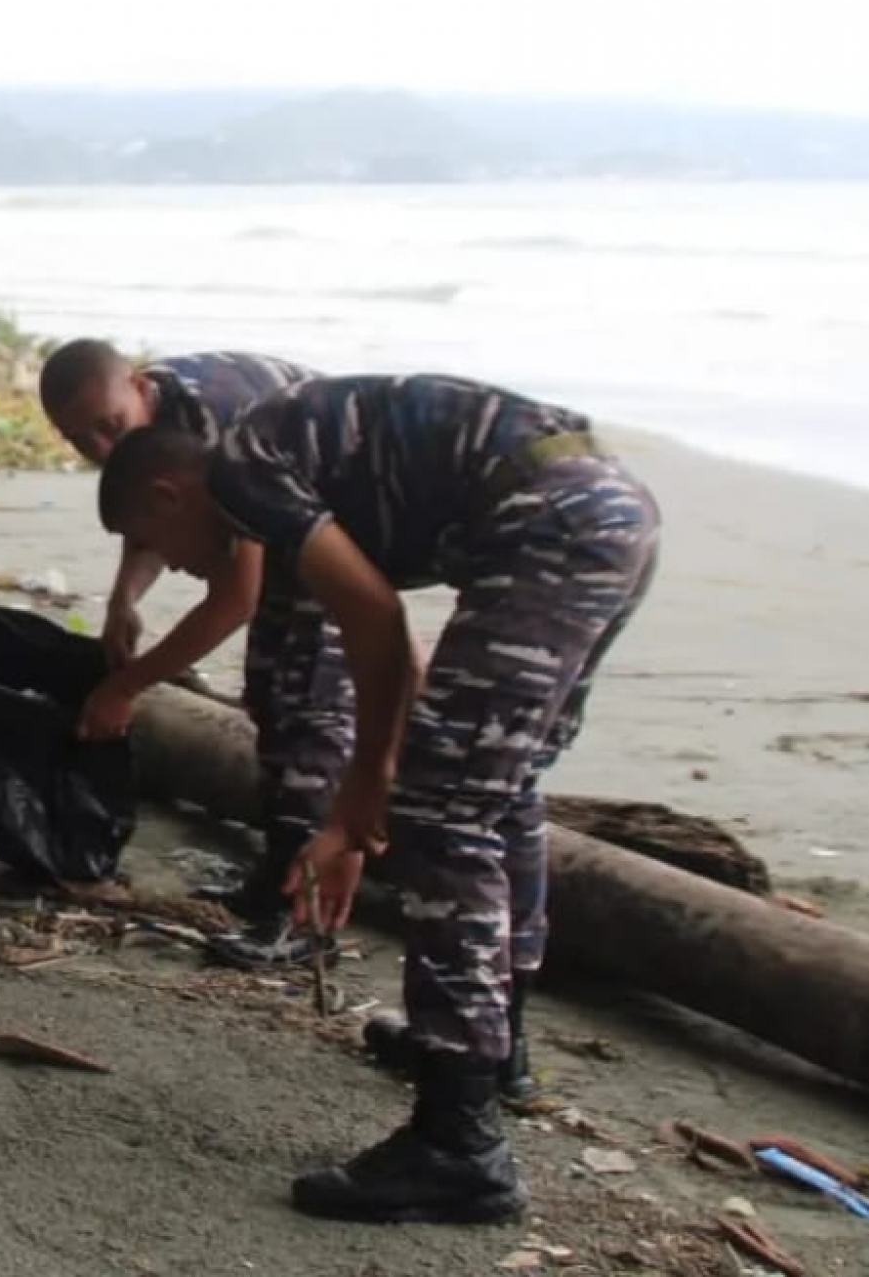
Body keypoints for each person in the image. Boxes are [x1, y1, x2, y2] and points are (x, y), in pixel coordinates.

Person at [95, 377, 658, 1224]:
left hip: (550, 527)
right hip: (610, 513)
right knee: (496, 794)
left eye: (157, 541)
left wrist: (361, 803)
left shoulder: (248, 471)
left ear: (170, 493)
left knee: (443, 819)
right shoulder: (276, 485)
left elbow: (378, 620)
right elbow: (375, 639)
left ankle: (458, 1143)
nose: (173, 563)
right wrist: (393, 764)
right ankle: (494, 1051)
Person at [38, 339, 344, 968]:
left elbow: (237, 595)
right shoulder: (152, 428)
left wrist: (126, 687)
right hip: (295, 516)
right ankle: (275, 880)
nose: (102, 449)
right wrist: (124, 599)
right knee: (266, 692)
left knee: (305, 699)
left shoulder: (222, 434)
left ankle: (303, 919)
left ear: (142, 388)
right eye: (80, 441)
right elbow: (148, 504)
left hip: (341, 511)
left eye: (110, 427)